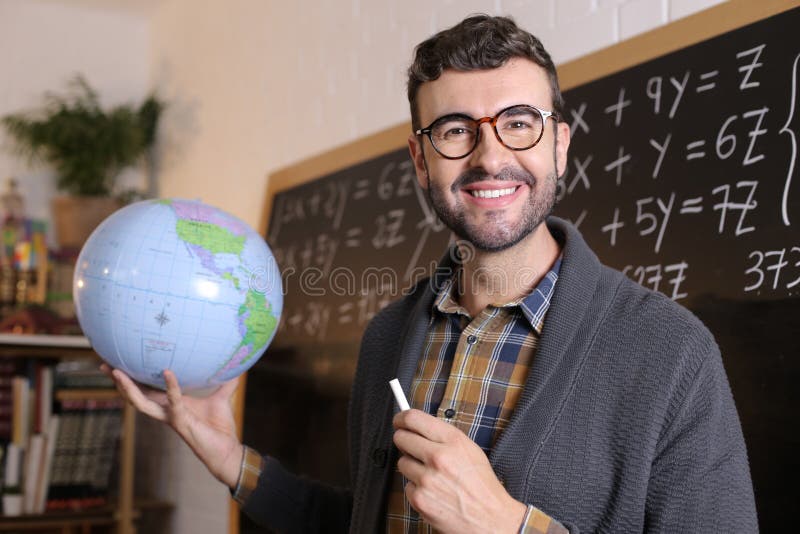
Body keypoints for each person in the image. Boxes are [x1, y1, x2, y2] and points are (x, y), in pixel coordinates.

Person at [106, 14, 758, 533]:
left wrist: (508, 527)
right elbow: (364, 521)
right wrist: (230, 459)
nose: (490, 156)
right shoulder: (387, 338)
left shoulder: (671, 352)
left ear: (560, 145)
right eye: (454, 130)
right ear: (421, 160)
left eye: (519, 124)